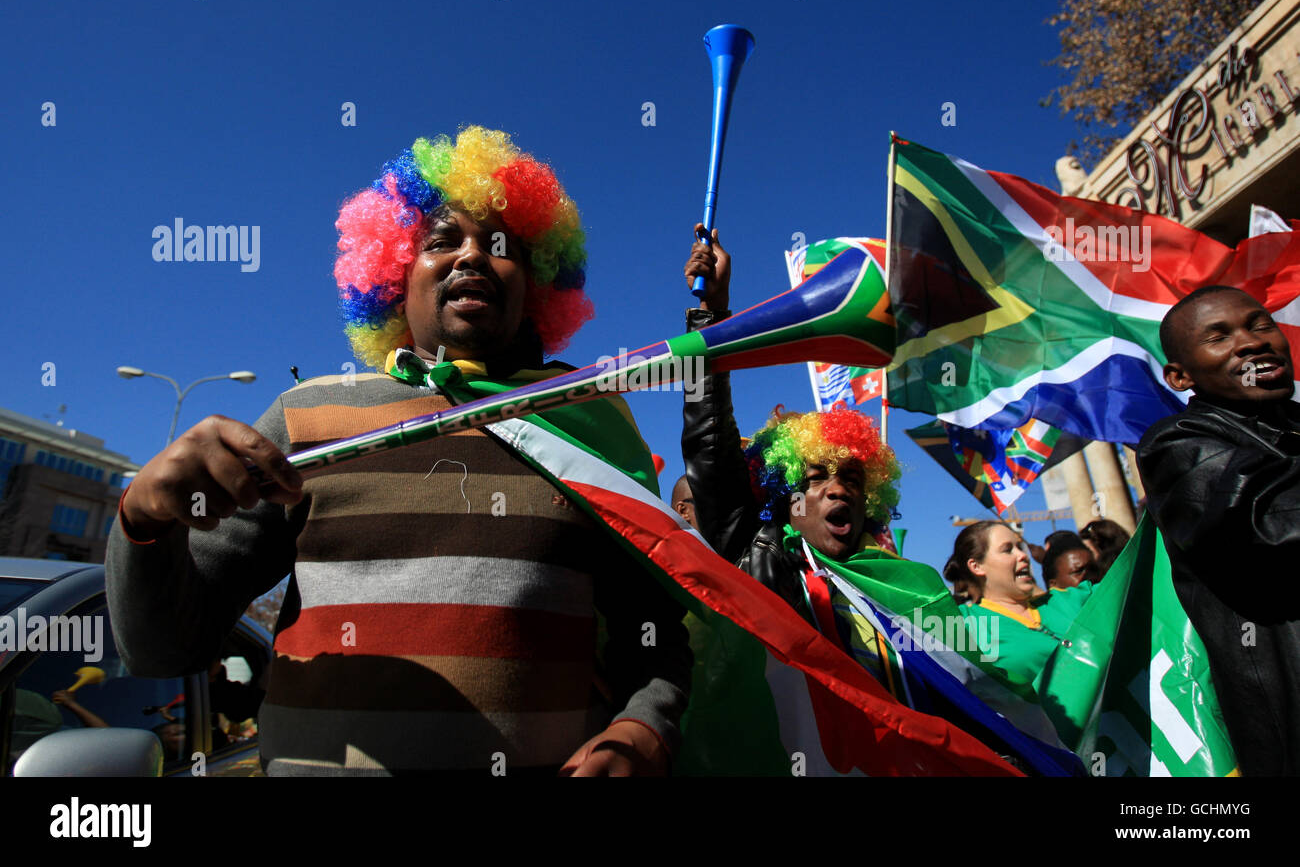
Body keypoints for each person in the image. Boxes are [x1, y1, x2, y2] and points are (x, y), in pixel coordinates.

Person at [107, 126, 692, 776]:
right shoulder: (304, 416)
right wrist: (145, 518)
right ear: (392, 276)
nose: (471, 256)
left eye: (500, 246)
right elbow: (163, 648)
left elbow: (657, 634)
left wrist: (643, 730)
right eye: (441, 240)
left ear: (537, 283)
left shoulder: (587, 421)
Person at [679, 227, 901, 623]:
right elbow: (708, 439)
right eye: (814, 477)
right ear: (784, 496)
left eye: (852, 478)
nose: (837, 489)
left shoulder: (901, 590)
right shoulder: (755, 555)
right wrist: (712, 315)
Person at [1136, 285, 1300, 776]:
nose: (1251, 343)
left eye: (1260, 324)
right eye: (1219, 337)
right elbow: (1267, 525)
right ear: (1179, 375)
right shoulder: (1177, 446)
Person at [951, 521, 1092, 684]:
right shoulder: (964, 623)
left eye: (1019, 547)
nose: (1023, 555)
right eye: (1007, 550)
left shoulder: (1074, 598)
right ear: (977, 566)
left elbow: (1123, 579)